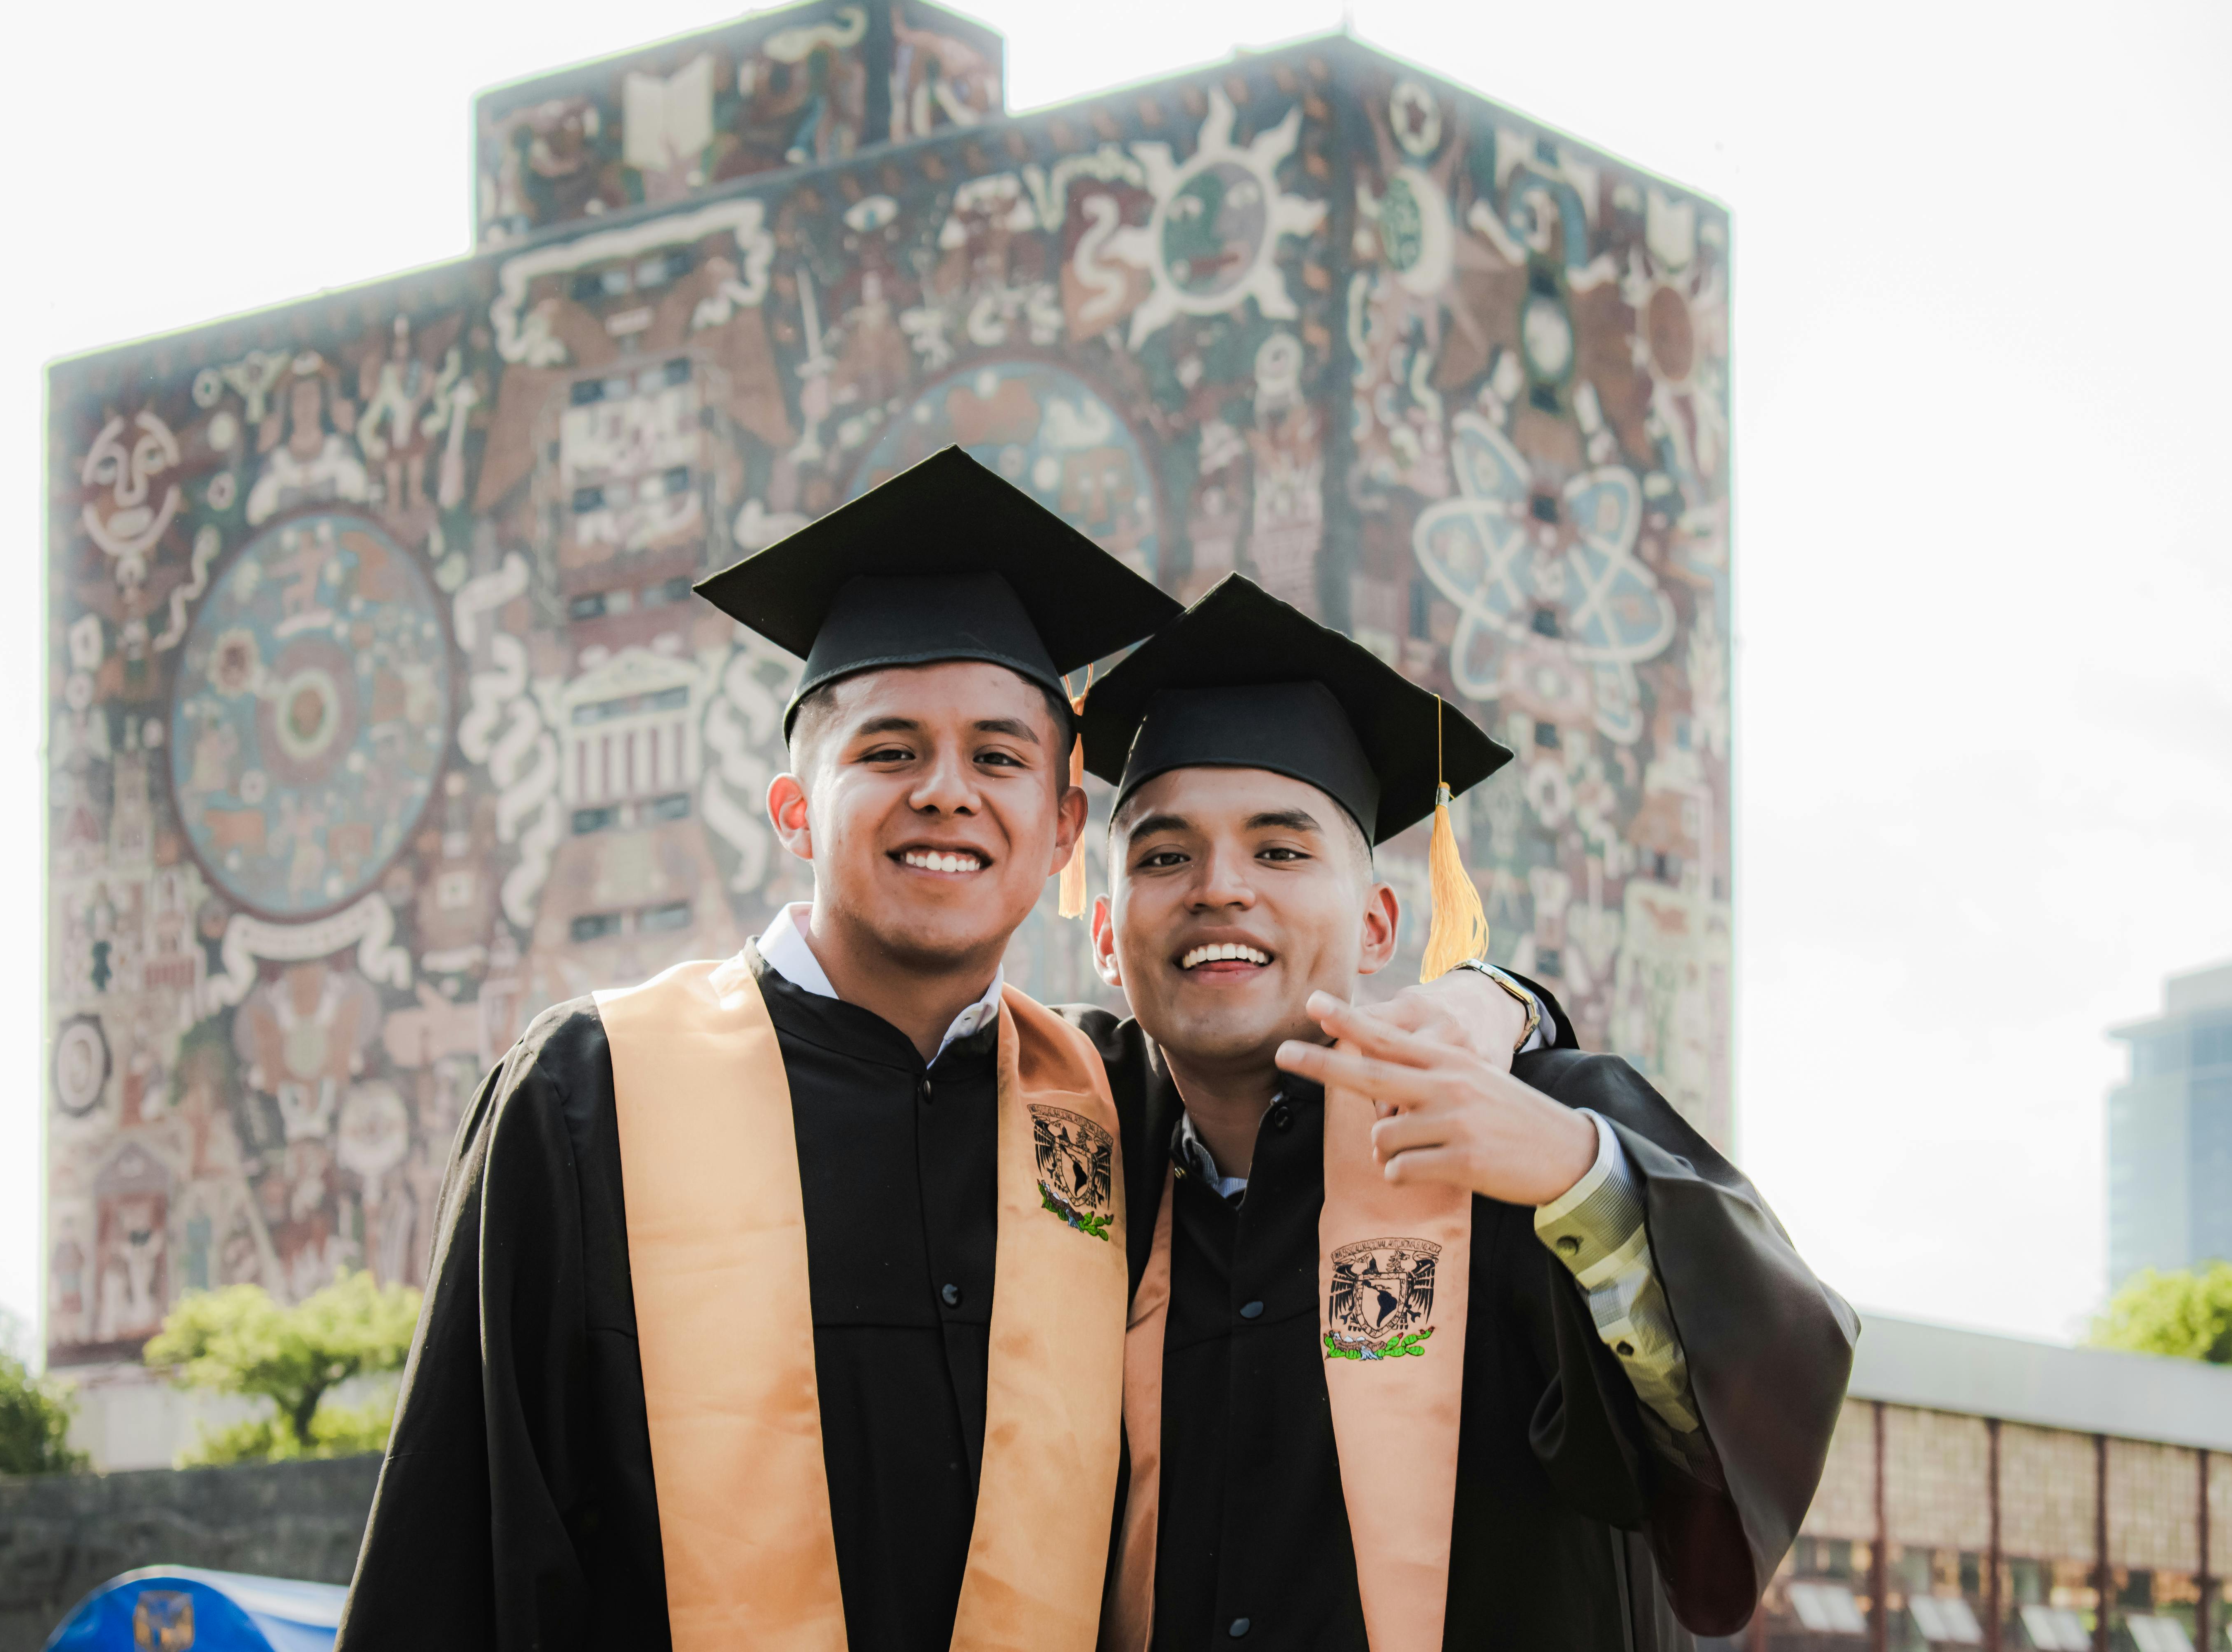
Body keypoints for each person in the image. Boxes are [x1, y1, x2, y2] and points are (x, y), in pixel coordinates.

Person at [339, 452, 1536, 1652]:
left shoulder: (1114, 1102)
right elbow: (461, 1546)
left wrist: (1502, 1003)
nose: (949, 795)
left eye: (1002, 759)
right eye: (890, 751)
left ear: (1064, 828)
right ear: (797, 810)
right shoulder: (595, 1093)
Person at [1065, 574, 1858, 1651]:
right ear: (1108, 937)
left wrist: (1587, 1178)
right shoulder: (1077, 1157)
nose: (1221, 886)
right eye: (1165, 855)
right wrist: (1512, 993)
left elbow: (1754, 1396)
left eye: (1282, 850)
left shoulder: (1527, 1131)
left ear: (1380, 925)